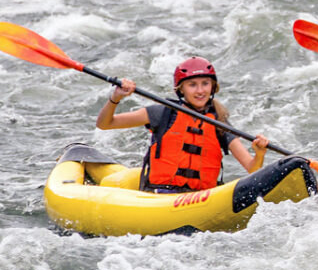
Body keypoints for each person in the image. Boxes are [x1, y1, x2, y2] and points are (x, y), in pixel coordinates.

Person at [96, 56, 269, 192]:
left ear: (213, 86)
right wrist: (116, 97)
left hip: (200, 198)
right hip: (161, 194)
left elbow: (252, 168)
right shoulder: (162, 112)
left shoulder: (219, 122)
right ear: (181, 89)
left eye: (205, 84)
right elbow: (105, 124)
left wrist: (259, 154)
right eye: (192, 85)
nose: (200, 90)